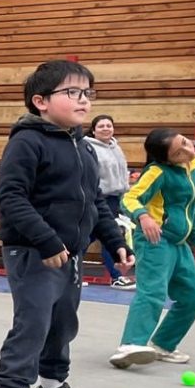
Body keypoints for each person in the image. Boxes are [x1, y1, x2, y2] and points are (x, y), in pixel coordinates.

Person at [0, 60, 133, 388]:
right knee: (33, 323)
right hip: (33, 252)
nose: (84, 100)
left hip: (71, 254)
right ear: (41, 101)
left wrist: (114, 241)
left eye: (87, 92)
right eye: (72, 92)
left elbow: (95, 202)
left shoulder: (83, 147)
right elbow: (11, 198)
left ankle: (52, 387)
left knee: (63, 322)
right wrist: (46, 240)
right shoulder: (26, 142)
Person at [110, 129, 195, 369]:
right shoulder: (157, 172)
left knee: (192, 297)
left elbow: (193, 206)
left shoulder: (193, 167)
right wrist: (143, 217)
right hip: (155, 240)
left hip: (179, 243)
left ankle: (163, 344)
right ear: (166, 159)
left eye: (185, 142)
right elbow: (130, 198)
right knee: (152, 292)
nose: (187, 150)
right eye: (178, 152)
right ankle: (130, 345)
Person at [83, 114, 134, 289]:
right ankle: (116, 276)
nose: (106, 129)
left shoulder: (116, 147)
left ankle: (116, 276)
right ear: (93, 130)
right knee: (95, 236)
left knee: (107, 236)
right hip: (98, 198)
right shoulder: (88, 147)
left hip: (114, 198)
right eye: (101, 126)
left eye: (109, 125)